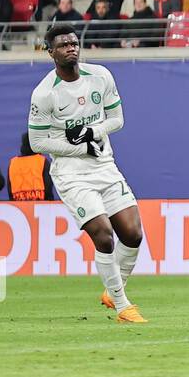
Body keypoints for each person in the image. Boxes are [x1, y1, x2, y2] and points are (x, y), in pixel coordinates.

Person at [28, 24, 147, 323]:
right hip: (71, 174)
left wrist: (93, 131)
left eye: (74, 43)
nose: (71, 48)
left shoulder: (101, 76)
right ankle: (122, 306)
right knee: (104, 236)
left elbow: (117, 118)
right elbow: (37, 142)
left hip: (105, 165)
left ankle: (112, 289)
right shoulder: (45, 94)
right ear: (50, 52)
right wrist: (80, 148)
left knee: (133, 234)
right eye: (63, 45)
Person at [8, 132, 53, 200]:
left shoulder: (13, 162)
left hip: (18, 204)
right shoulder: (42, 161)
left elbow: (9, 188)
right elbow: (48, 186)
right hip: (41, 204)